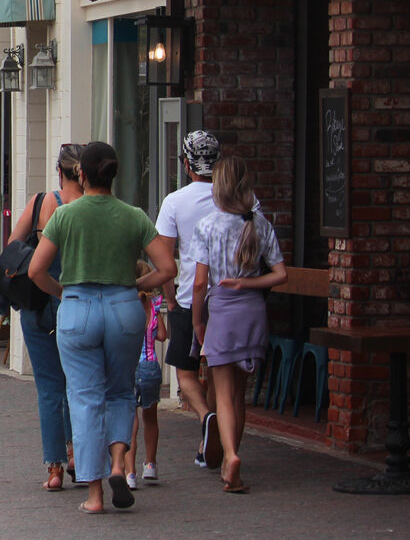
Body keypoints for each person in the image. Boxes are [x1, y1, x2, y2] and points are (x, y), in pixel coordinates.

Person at [29, 141, 175, 514]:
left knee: (84, 398)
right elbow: (167, 267)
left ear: (81, 174)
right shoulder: (133, 216)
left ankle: (94, 494)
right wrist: (136, 286)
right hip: (123, 308)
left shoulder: (66, 216)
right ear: (114, 174)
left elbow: (36, 270)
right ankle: (117, 465)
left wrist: (64, 293)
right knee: (121, 393)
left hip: (78, 309)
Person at [192, 156, 286, 495]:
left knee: (223, 395)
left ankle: (230, 456)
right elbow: (280, 274)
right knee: (240, 395)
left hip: (223, 311)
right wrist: (248, 283)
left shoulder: (208, 226)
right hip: (253, 312)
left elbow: (200, 283)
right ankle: (235, 457)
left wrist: (198, 321)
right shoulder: (259, 224)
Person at [155, 130, 235, 469]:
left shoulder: (175, 201)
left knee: (185, 373)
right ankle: (217, 441)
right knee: (219, 372)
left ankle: (205, 417)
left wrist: (168, 300)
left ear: (186, 164)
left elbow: (165, 258)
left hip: (190, 298)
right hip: (231, 299)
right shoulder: (237, 198)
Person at [11, 143, 82, 492]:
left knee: (49, 387)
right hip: (76, 299)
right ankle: (76, 453)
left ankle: (53, 468)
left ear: (60, 172)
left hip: (38, 302)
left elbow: (13, 245)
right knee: (78, 383)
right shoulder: (87, 208)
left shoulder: (41, 203)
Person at [126, 267, 165, 491]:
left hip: (131, 364)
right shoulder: (154, 306)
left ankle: (130, 472)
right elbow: (162, 335)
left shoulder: (125, 304)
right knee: (151, 417)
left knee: (131, 419)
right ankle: (150, 464)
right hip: (151, 366)